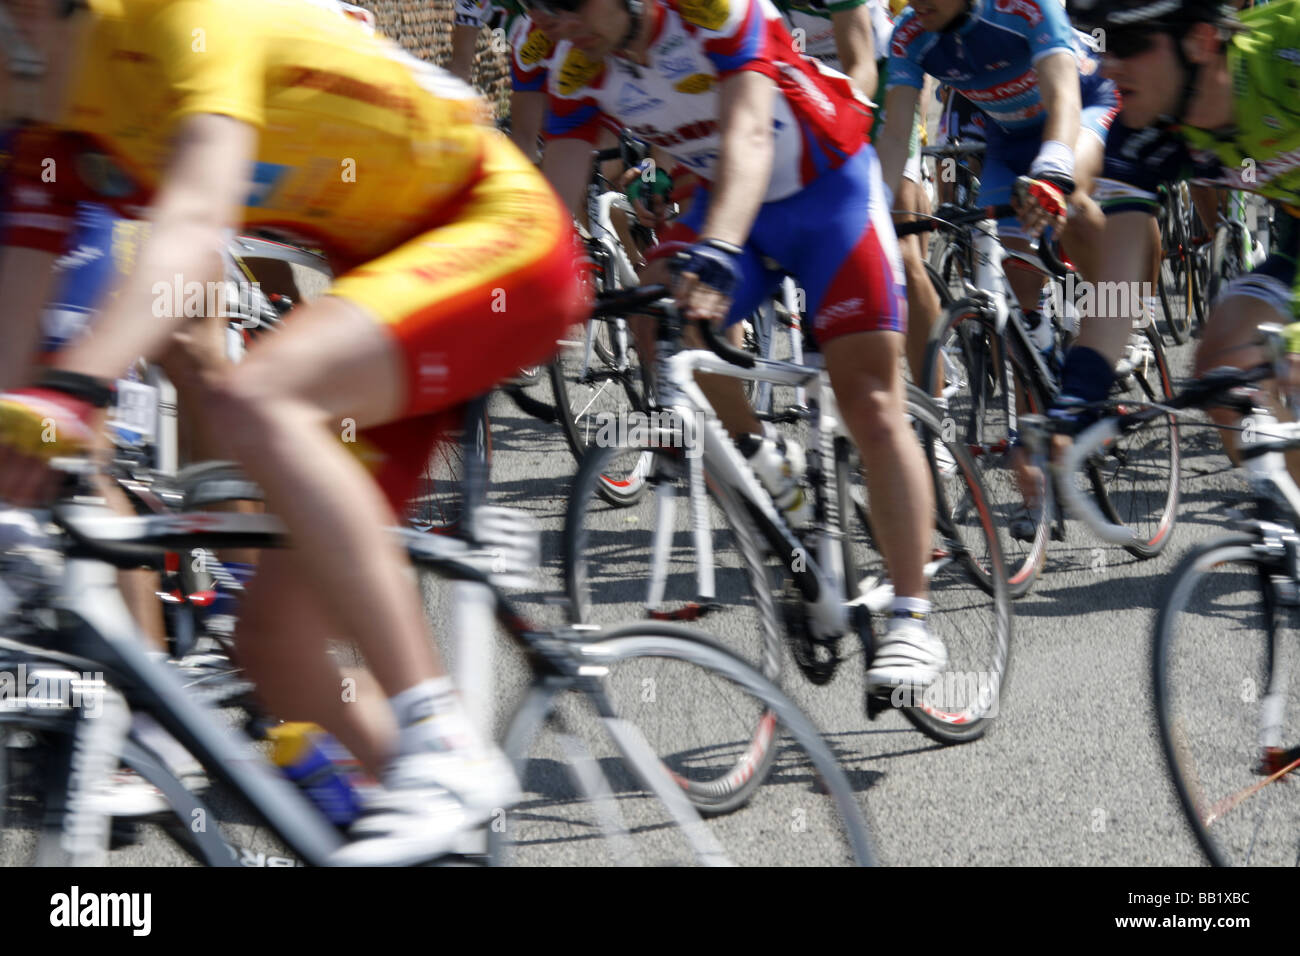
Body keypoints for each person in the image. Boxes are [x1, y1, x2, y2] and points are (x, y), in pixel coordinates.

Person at [0, 0, 588, 863]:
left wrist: (74, 390)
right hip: (389, 284)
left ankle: (444, 742)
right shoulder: (46, 134)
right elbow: (14, 347)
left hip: (498, 237)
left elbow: (195, 232)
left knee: (258, 395)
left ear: (33, 15)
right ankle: (441, 841)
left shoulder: (181, 25)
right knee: (274, 646)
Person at [524, 0, 948, 692]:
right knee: (655, 316)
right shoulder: (574, 65)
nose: (552, 20)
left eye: (565, 3)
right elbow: (555, 195)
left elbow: (751, 130)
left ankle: (911, 618)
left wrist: (719, 245)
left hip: (827, 186)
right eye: (535, 7)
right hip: (727, 199)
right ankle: (765, 456)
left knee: (869, 400)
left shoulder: (711, 8)